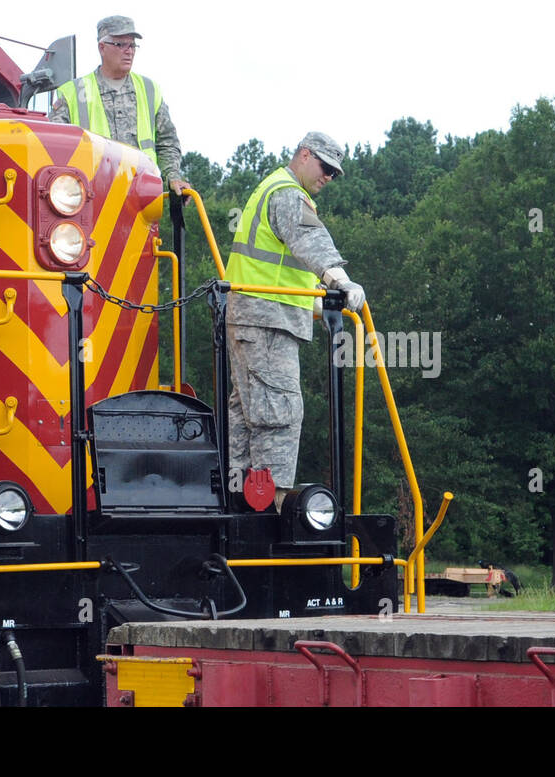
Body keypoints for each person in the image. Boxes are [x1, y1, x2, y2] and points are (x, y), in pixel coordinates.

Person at [223, 132, 365, 510]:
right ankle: (274, 508)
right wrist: (340, 280)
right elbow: (310, 242)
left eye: (335, 173)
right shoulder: (286, 193)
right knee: (279, 413)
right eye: (325, 167)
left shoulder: (269, 189)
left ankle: (237, 502)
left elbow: (280, 272)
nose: (329, 178)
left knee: (246, 413)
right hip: (267, 322)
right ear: (304, 155)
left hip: (255, 316)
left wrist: (319, 306)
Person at [51, 16, 190, 194]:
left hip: (142, 200)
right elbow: (56, 149)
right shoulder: (72, 93)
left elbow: (167, 142)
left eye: (132, 45)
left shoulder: (149, 90)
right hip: (92, 199)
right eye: (120, 45)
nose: (129, 51)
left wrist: (173, 177)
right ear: (102, 47)